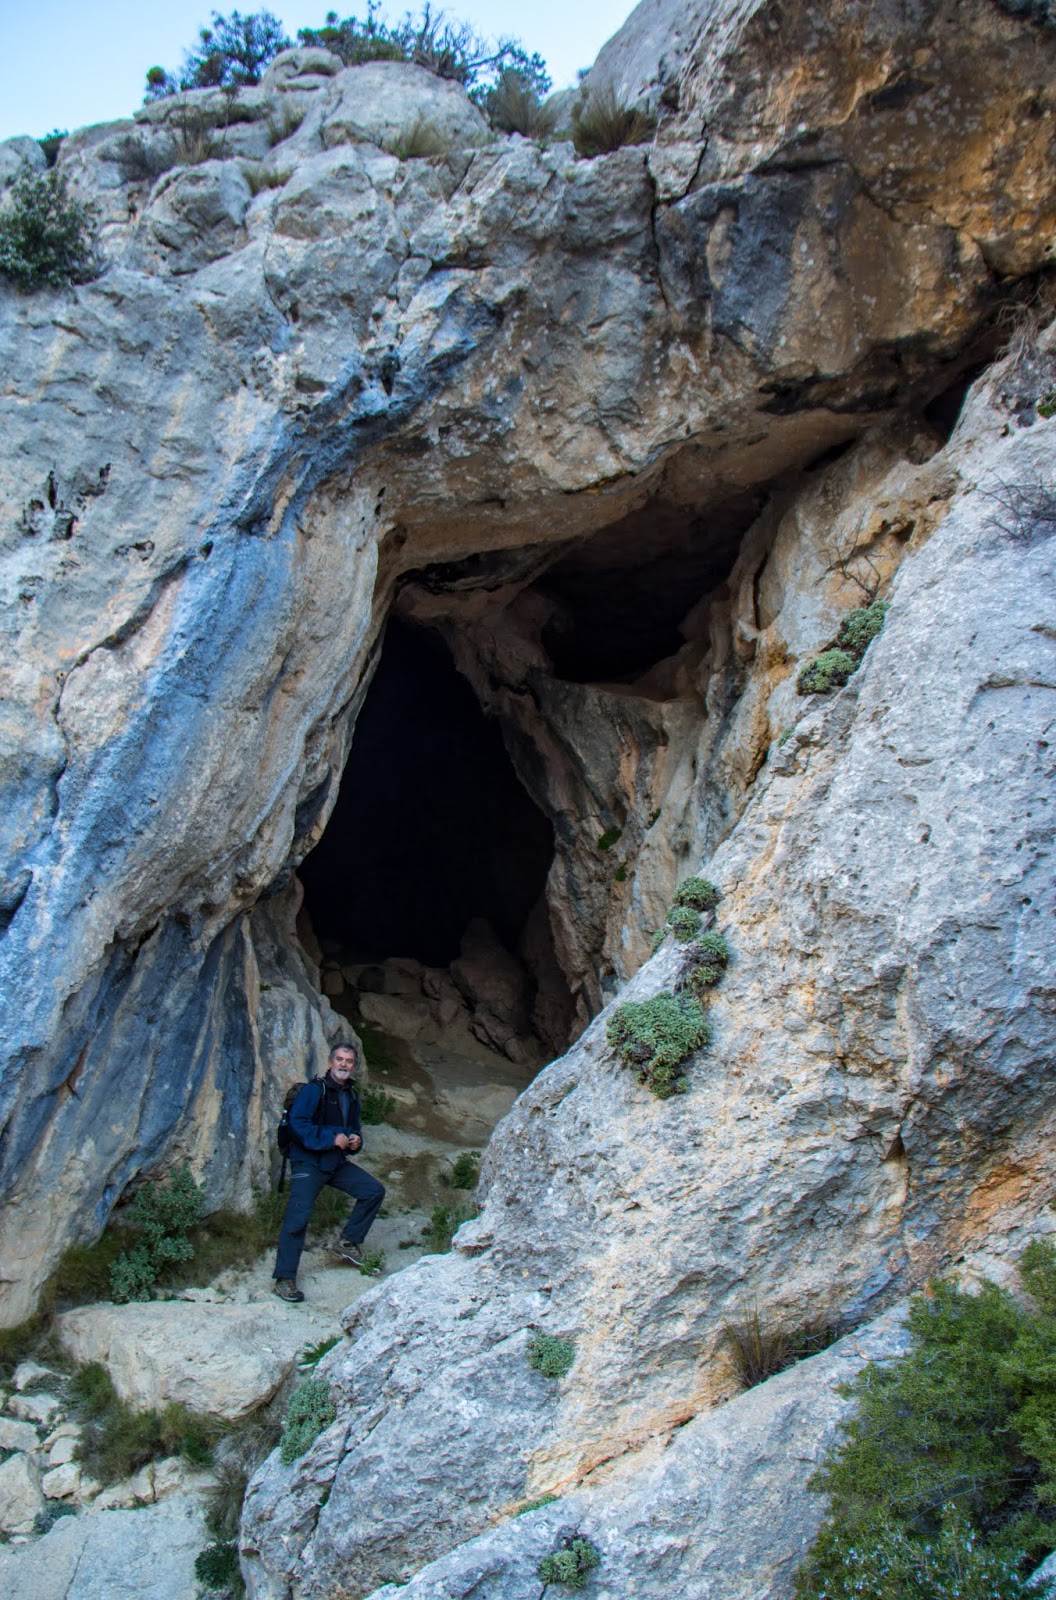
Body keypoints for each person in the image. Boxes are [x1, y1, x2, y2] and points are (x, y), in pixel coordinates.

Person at [272, 1042, 386, 1303]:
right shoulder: (315, 1090)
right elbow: (298, 1125)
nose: (344, 1064)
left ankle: (347, 1242)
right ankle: (284, 1279)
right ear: (330, 1062)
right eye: (340, 1059)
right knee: (297, 1218)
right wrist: (330, 1138)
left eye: (349, 1061)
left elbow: (353, 1128)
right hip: (308, 1163)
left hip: (334, 1162)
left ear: (354, 1066)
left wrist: (356, 1140)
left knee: (373, 1191)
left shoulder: (351, 1095)